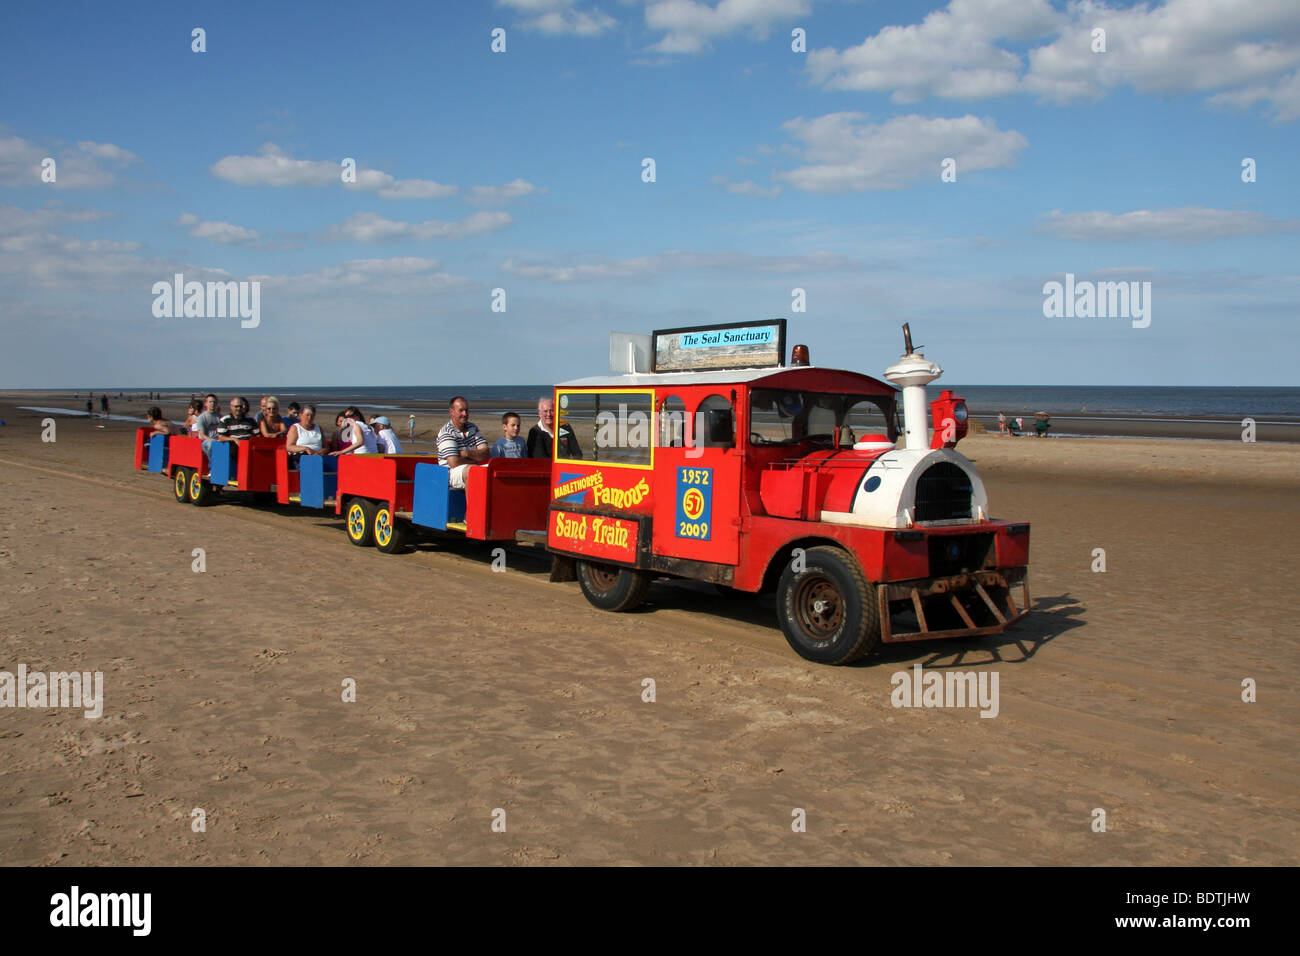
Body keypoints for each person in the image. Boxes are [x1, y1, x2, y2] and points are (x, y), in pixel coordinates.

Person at [438, 396, 489, 488]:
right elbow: (454, 462)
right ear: (451, 412)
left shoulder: (472, 427)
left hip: (473, 467)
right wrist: (476, 457)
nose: (465, 414)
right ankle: (472, 503)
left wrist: (465, 453)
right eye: (461, 410)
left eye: (466, 410)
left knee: (493, 468)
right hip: (450, 473)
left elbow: (486, 453)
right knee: (471, 471)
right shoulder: (447, 432)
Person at [210, 397, 258, 465]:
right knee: (234, 451)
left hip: (248, 443)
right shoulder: (225, 420)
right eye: (236, 406)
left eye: (240, 406)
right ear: (231, 407)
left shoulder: (250, 420)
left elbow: (257, 434)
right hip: (234, 444)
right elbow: (221, 437)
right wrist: (234, 439)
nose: (238, 409)